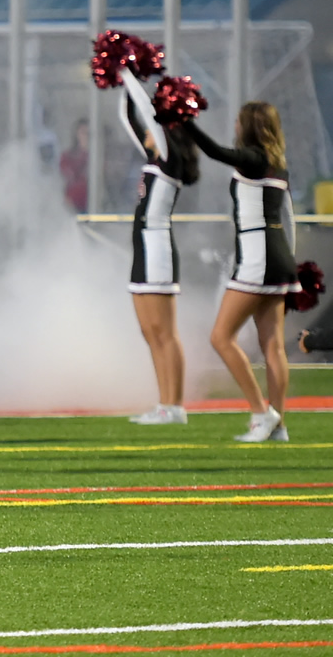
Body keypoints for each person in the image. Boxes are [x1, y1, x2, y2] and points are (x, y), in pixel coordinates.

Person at [189, 102, 299, 443]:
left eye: (239, 121)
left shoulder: (253, 158)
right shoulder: (278, 164)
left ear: (249, 126)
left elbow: (213, 151)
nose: (235, 125)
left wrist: (184, 121)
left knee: (220, 337)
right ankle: (278, 425)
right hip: (279, 256)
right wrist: (293, 264)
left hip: (258, 257)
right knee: (273, 346)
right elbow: (290, 218)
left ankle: (261, 413)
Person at [116, 71, 199, 425]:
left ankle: (175, 406)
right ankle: (164, 404)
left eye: (154, 128)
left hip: (157, 250)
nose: (146, 133)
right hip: (142, 252)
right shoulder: (154, 158)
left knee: (165, 333)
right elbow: (128, 117)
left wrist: (127, 69)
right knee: (150, 332)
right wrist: (123, 80)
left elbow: (146, 114)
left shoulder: (169, 159)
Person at [60, 119, 91, 214]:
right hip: (73, 207)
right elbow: (66, 179)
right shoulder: (68, 157)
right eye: (83, 133)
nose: (86, 137)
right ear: (76, 134)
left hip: (95, 206)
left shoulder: (99, 157)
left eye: (89, 134)